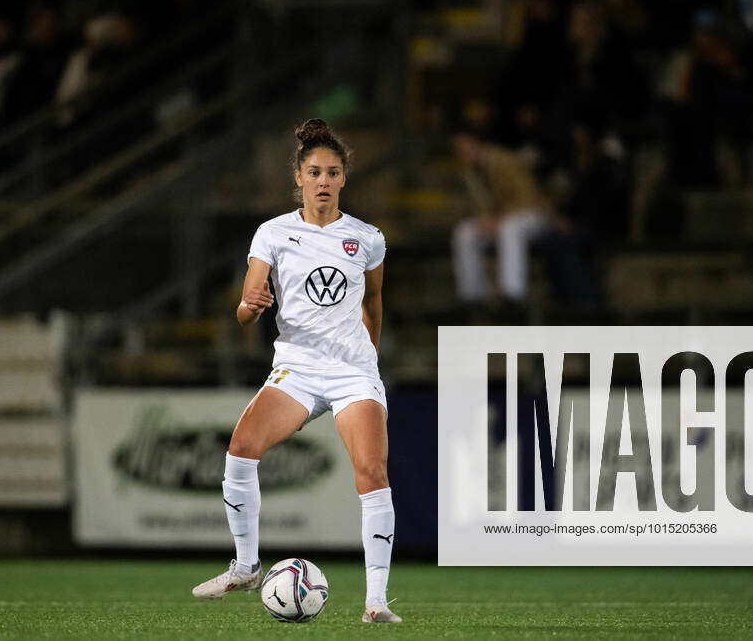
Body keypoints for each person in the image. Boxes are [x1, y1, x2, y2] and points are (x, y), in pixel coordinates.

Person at [191, 119, 401, 624]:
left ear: (344, 179)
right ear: (300, 179)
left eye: (332, 172)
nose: (324, 181)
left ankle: (376, 602)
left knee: (372, 473)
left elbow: (373, 303)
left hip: (353, 371)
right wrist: (251, 305)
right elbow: (244, 307)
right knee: (241, 449)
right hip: (299, 368)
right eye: (315, 172)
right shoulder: (273, 233)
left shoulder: (368, 239)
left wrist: (365, 359)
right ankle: (245, 567)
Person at [450, 129, 553, 307]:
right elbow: (478, 206)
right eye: (458, 150)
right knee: (464, 232)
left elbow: (527, 197)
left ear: (477, 144)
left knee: (510, 228)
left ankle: (513, 294)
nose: (462, 153)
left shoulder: (503, 160)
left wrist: (499, 219)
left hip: (534, 214)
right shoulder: (468, 172)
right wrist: (485, 219)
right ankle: (472, 296)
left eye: (464, 148)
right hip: (502, 218)